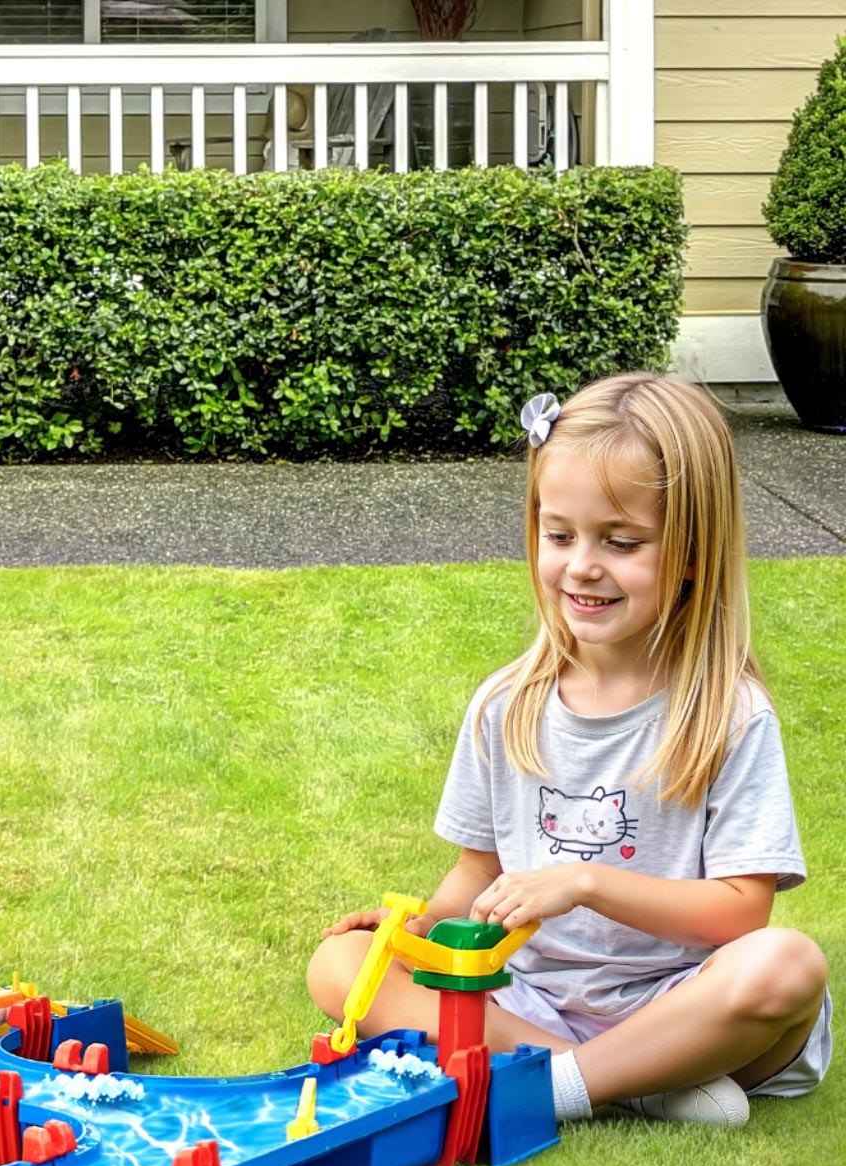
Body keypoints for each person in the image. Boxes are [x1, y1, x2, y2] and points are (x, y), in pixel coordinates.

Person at [308, 373, 829, 1128]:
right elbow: (477, 875)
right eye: (560, 535)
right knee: (340, 966)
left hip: (684, 1006)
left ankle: (560, 1086)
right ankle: (624, 1085)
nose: (582, 565)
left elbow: (742, 916)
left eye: (620, 542)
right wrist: (417, 931)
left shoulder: (728, 716)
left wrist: (585, 881)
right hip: (533, 1001)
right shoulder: (506, 705)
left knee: (788, 965)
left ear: (692, 551)